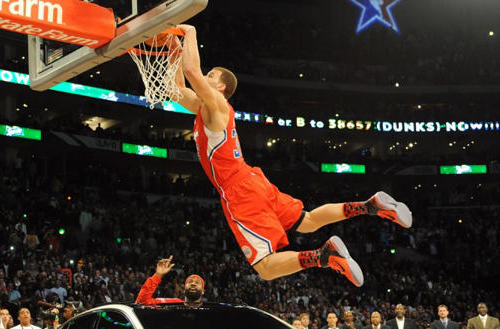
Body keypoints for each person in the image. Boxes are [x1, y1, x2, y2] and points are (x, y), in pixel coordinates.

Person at [172, 24, 412, 287]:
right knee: (307, 221)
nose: (205, 77)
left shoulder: (217, 105)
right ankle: (369, 206)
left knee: (265, 267)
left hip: (238, 190)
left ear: (221, 88)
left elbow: (191, 71)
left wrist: (190, 32)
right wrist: (172, 49)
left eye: (211, 75)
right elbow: (176, 89)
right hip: (252, 180)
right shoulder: (204, 108)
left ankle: (323, 257)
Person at [135, 256, 204, 308]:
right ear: (184, 290)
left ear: (203, 291)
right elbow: (141, 302)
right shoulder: (173, 303)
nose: (193, 283)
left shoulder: (212, 310)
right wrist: (157, 275)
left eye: (197, 282)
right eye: (190, 281)